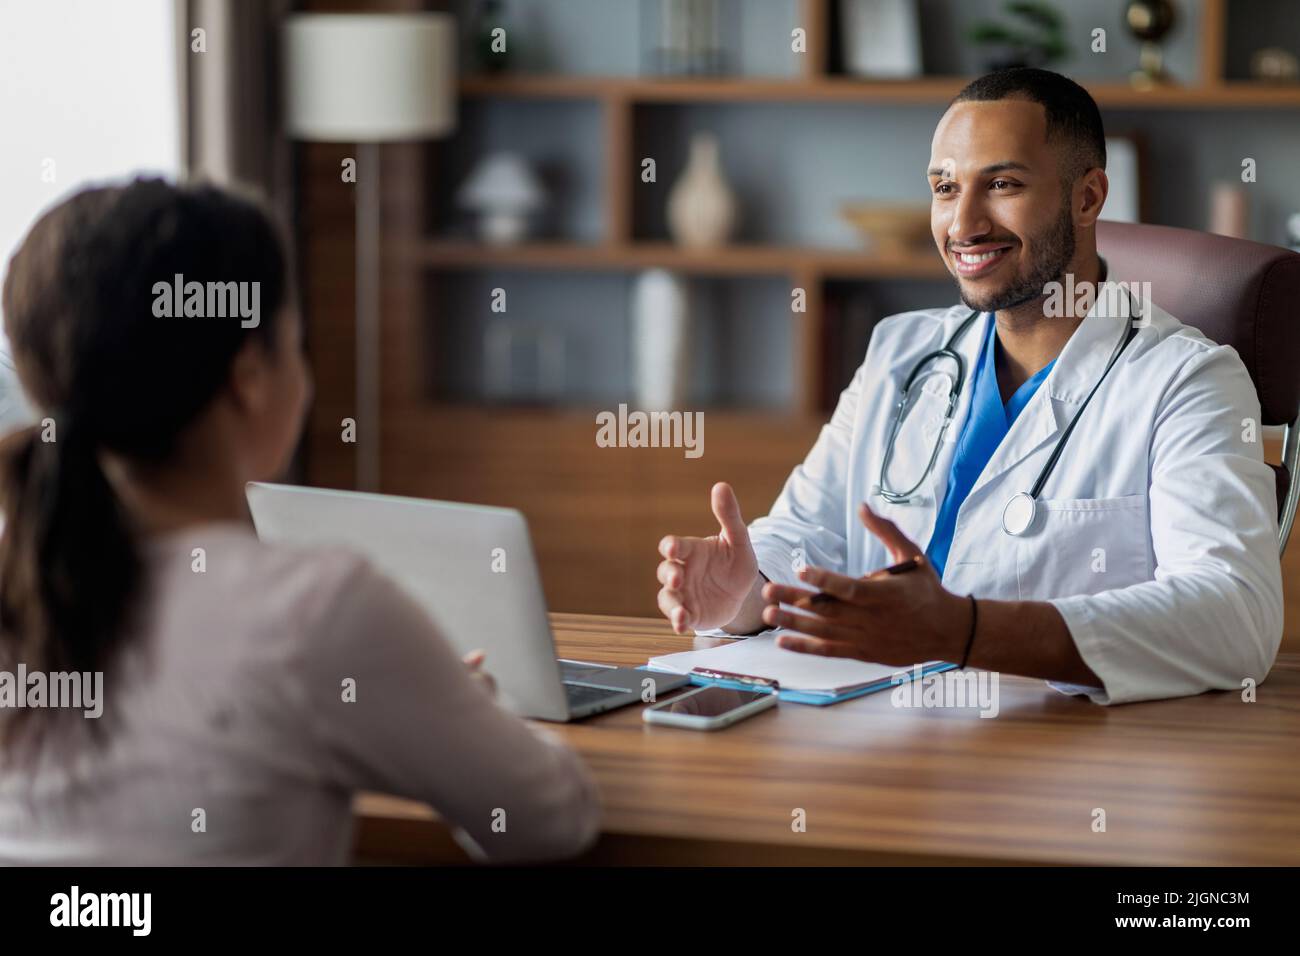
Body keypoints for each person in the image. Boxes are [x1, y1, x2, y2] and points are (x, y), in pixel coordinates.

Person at [0, 178, 599, 864]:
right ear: (249, 375)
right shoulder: (314, 612)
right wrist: (461, 711)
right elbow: (549, 820)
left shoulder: (23, 591)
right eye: (295, 337)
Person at [655, 68, 1284, 706]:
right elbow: (806, 533)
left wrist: (969, 632)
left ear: (1088, 197)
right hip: (874, 734)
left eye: (1003, 184)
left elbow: (1236, 617)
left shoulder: (1187, 380)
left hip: (1065, 763)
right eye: (945, 188)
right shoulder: (900, 352)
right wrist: (744, 589)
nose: (965, 224)